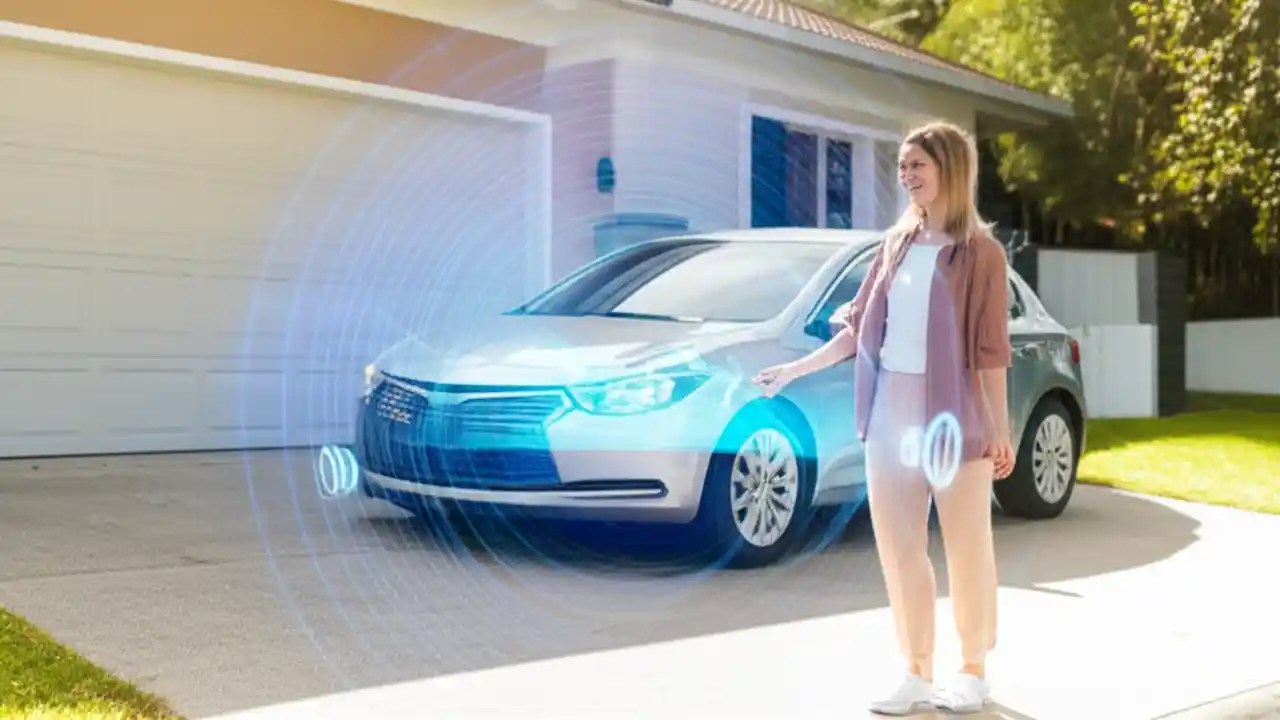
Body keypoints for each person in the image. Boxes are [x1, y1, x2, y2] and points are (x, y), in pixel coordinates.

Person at [752, 121, 1015, 715]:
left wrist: (1000, 427)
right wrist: (794, 370)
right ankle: (917, 671)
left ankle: (972, 669)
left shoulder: (982, 254)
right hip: (890, 413)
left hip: (955, 417)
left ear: (950, 169)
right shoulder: (893, 246)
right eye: (902, 165)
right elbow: (858, 331)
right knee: (899, 550)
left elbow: (992, 350)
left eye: (917, 164)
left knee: (967, 547)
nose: (907, 175)